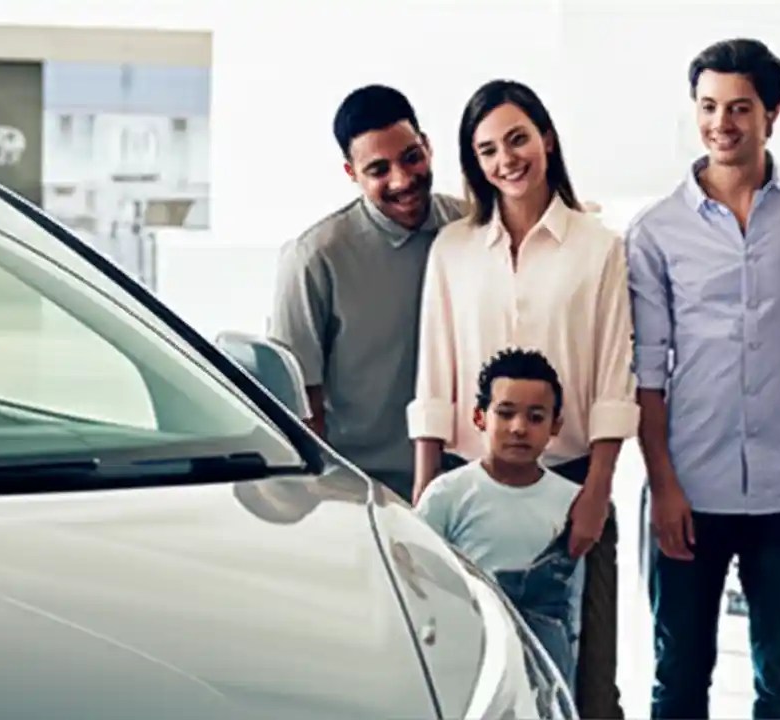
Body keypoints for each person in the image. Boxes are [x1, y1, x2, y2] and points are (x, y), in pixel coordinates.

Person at [406, 79, 639, 718]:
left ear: (547, 139)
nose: (506, 159)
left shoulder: (599, 247)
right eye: (487, 150)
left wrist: (596, 493)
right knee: (474, 676)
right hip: (468, 489)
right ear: (474, 164)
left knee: (587, 683)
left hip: (569, 489)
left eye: (517, 139)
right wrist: (427, 496)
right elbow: (434, 375)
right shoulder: (453, 249)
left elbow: (616, 380)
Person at [626, 38, 780, 719]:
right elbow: (648, 372)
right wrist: (662, 486)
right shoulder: (656, 231)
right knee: (679, 673)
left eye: (740, 108)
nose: (722, 123)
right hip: (691, 482)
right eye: (709, 106)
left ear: (772, 114)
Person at [270, 84, 466, 502]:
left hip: (469, 485)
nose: (402, 179)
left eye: (411, 157)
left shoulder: (472, 228)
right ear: (351, 174)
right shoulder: (314, 259)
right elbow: (302, 404)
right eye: (379, 169)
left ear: (428, 147)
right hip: (367, 495)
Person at [414, 347, 584, 691]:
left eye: (535, 417)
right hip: (466, 661)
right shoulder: (446, 494)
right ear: (480, 418)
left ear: (556, 425)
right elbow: (419, 585)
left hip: (548, 669)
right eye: (505, 414)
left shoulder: (575, 503)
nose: (519, 428)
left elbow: (579, 606)